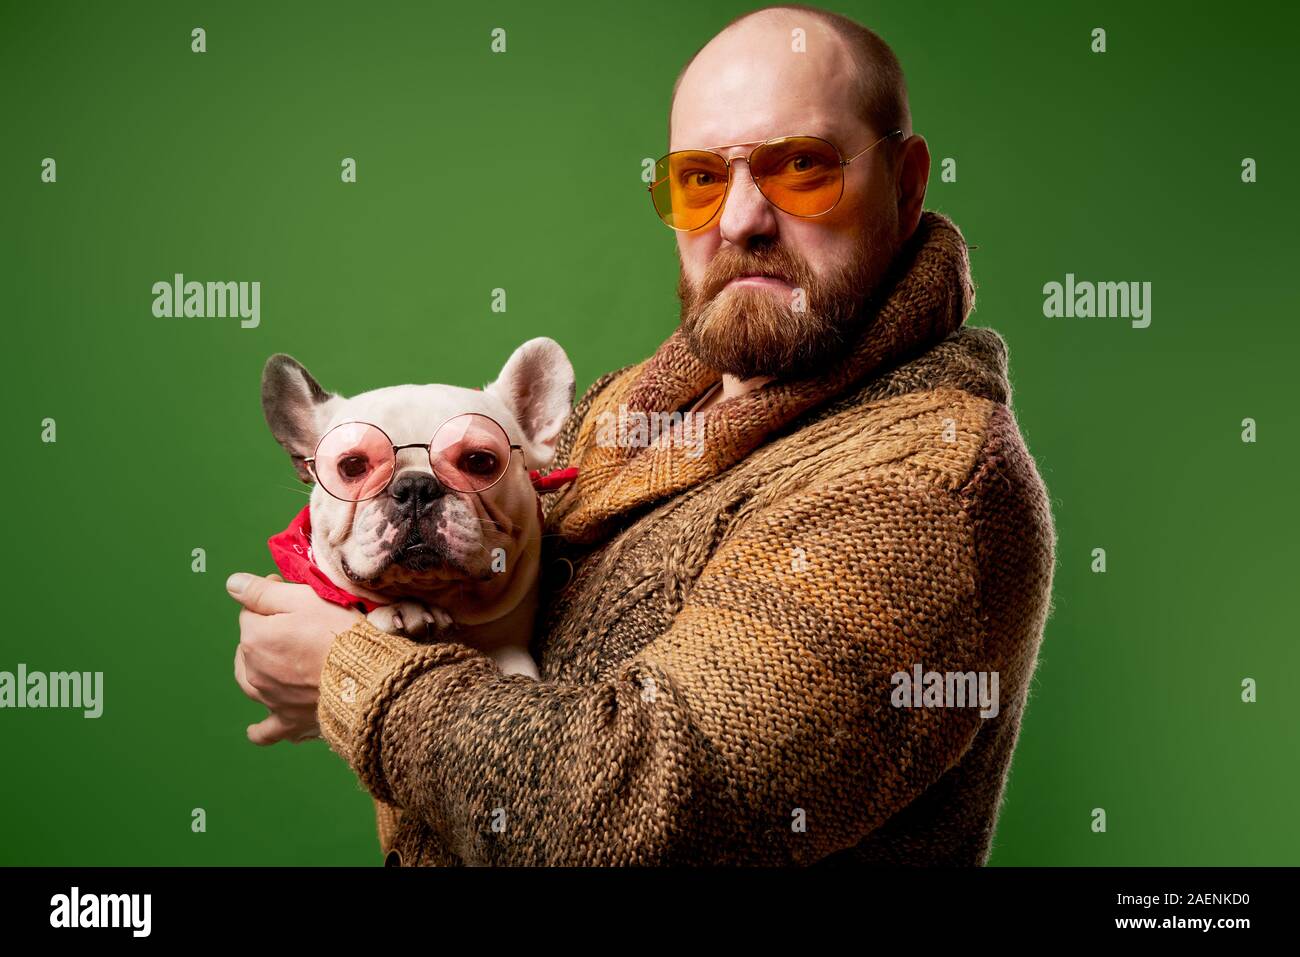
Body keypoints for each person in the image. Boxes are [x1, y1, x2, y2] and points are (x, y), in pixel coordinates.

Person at [229, 3, 1056, 866]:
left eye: (802, 167)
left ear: (908, 181)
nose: (739, 220)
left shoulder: (923, 484)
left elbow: (640, 811)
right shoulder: (636, 408)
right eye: (701, 179)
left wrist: (350, 677)